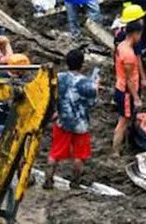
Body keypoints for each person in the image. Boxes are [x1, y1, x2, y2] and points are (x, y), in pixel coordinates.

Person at [45, 48, 98, 190]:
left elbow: (51, 96)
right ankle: (74, 182)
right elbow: (92, 103)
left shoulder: (59, 78)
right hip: (81, 124)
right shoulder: (87, 83)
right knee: (79, 156)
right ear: (82, 64)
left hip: (62, 120)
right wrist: (96, 87)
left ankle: (48, 181)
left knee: (55, 153)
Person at [112, 19, 143, 155]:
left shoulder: (121, 46)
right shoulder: (129, 55)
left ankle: (124, 144)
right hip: (126, 92)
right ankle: (115, 151)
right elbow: (129, 79)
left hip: (121, 87)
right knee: (123, 122)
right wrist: (136, 98)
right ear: (135, 34)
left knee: (127, 119)